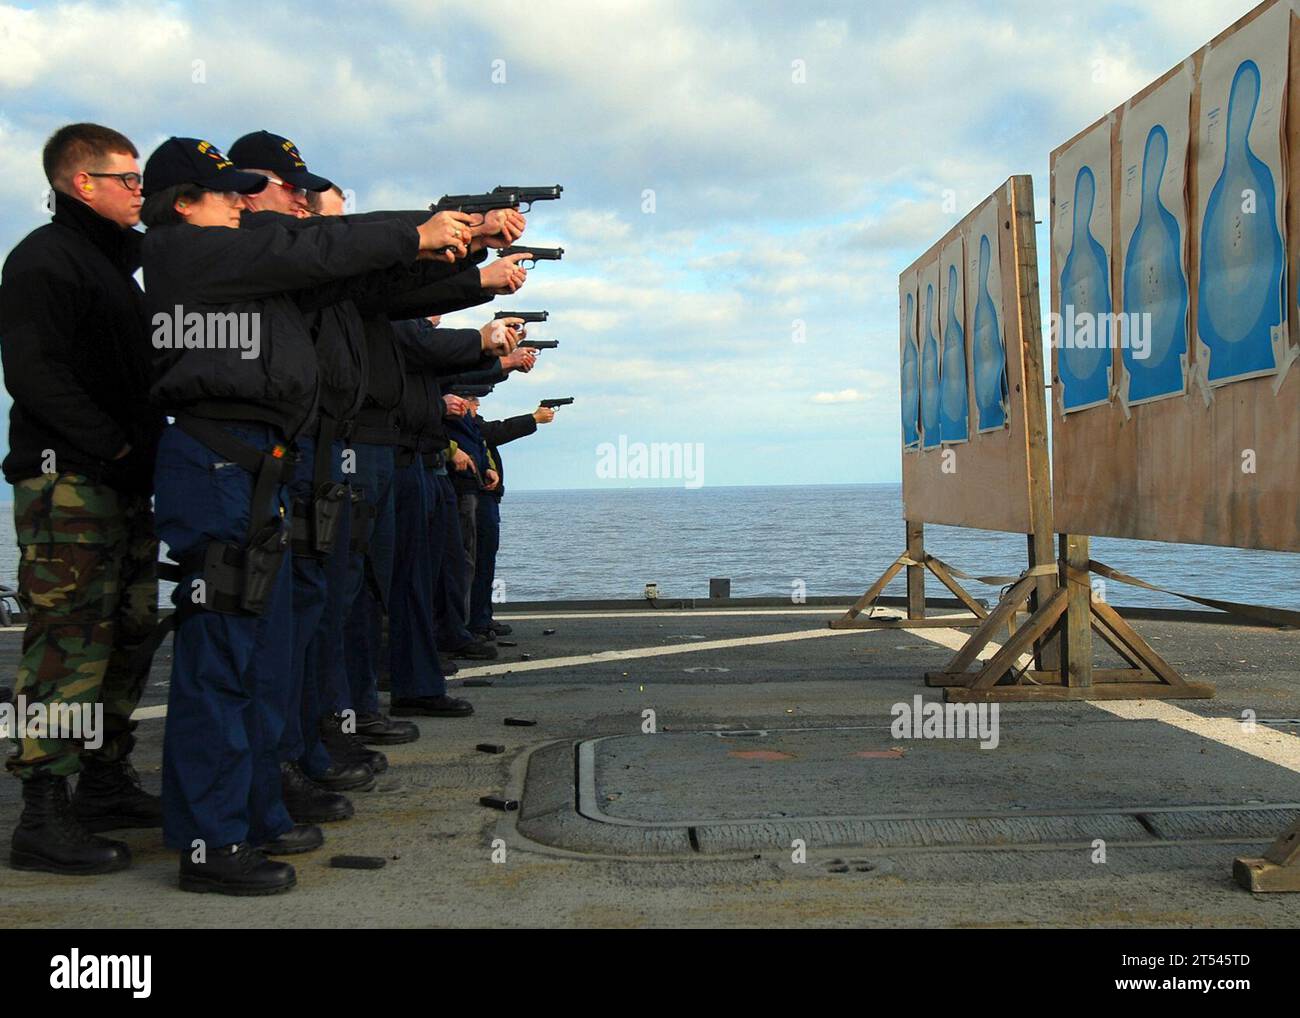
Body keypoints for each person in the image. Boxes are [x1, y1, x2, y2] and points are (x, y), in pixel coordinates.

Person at [140, 135, 469, 894]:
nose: (243, 204)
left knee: (259, 660)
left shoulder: (230, 266)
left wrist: (452, 254)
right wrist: (419, 228)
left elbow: (342, 270)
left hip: (253, 470)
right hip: (221, 468)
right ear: (183, 205)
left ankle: (247, 814)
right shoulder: (187, 253)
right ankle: (208, 843)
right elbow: (316, 247)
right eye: (228, 193)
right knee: (223, 663)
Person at [1, 123, 165, 876]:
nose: (141, 190)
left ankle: (102, 780)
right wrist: (119, 447)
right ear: (80, 183)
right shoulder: (43, 260)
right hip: (68, 483)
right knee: (66, 643)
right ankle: (43, 810)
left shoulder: (113, 266)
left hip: (119, 485)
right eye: (127, 179)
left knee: (130, 632)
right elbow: (34, 376)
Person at [470, 399, 560, 639]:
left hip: (482, 498)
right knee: (479, 562)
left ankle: (481, 618)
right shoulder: (467, 426)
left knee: (482, 562)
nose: (477, 404)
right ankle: (476, 621)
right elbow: (495, 432)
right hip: (479, 498)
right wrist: (533, 419)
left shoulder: (468, 425)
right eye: (472, 400)